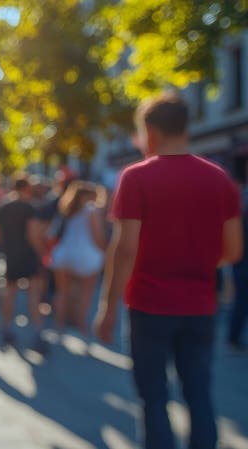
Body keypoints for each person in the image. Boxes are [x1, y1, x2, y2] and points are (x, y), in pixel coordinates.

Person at [94, 92, 243, 449]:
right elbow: (233, 250)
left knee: (153, 399)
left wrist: (108, 306)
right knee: (199, 395)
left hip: (148, 305)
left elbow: (125, 248)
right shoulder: (220, 178)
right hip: (200, 305)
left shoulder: (135, 177)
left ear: (149, 131)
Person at [0, 174, 47, 351]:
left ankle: (7, 329)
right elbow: (33, 234)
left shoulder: (3, 206)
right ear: (26, 188)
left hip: (11, 255)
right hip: (28, 256)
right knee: (34, 295)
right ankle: (37, 334)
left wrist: (5, 247)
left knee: (9, 293)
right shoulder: (29, 207)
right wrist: (41, 253)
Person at [49, 181, 107, 336]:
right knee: (85, 295)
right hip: (86, 256)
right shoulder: (92, 210)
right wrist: (106, 253)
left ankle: (59, 324)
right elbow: (98, 236)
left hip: (64, 254)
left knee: (62, 291)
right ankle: (82, 328)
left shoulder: (67, 209)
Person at [228, 183, 248, 351]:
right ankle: (233, 337)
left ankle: (233, 337)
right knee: (242, 300)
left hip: (240, 258)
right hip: (242, 258)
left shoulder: (241, 198)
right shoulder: (241, 198)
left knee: (241, 300)